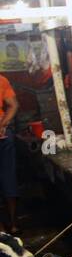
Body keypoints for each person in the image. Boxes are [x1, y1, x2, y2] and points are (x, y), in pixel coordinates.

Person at [0, 71, 18, 233]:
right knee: (8, 177)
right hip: (3, 135)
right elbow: (13, 105)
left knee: (8, 177)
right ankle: (13, 225)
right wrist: (3, 124)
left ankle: (1, 230)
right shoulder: (1, 80)